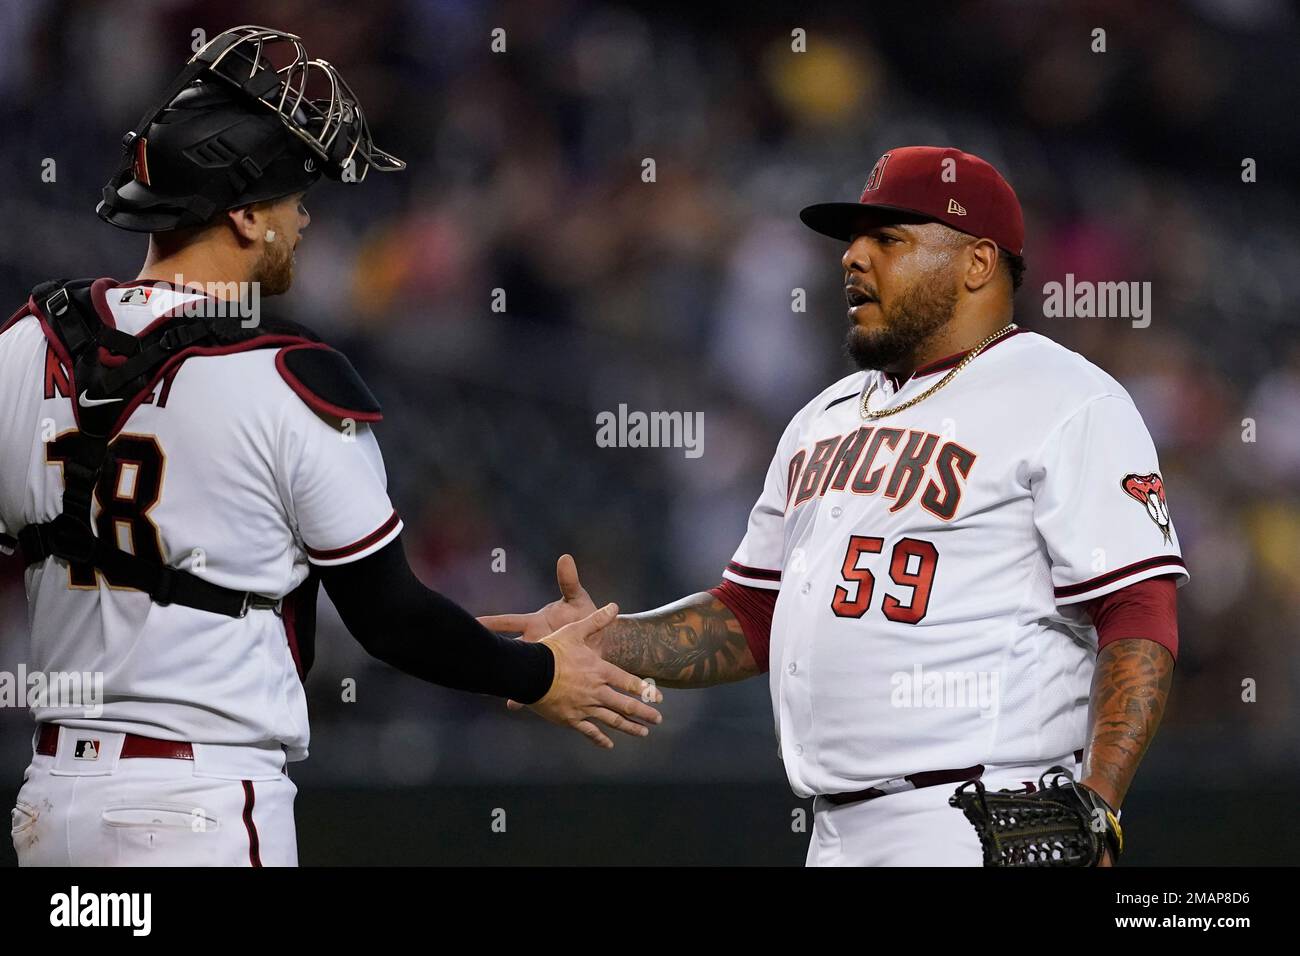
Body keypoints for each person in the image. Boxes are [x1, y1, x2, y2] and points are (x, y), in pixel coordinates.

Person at [0, 26, 659, 868]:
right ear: (242, 214)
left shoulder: (28, 342)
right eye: (291, 199)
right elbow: (388, 618)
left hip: (49, 808)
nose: (303, 220)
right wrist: (537, 677)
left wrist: (506, 647)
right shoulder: (286, 375)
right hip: (196, 807)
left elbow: (184, 587)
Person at [482, 146, 1187, 866]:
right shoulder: (824, 417)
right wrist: (610, 639)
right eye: (852, 240)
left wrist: (1100, 802)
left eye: (889, 239)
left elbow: (1137, 611)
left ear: (978, 264)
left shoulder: (1070, 399)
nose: (852, 258)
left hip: (988, 817)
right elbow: (753, 614)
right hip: (833, 830)